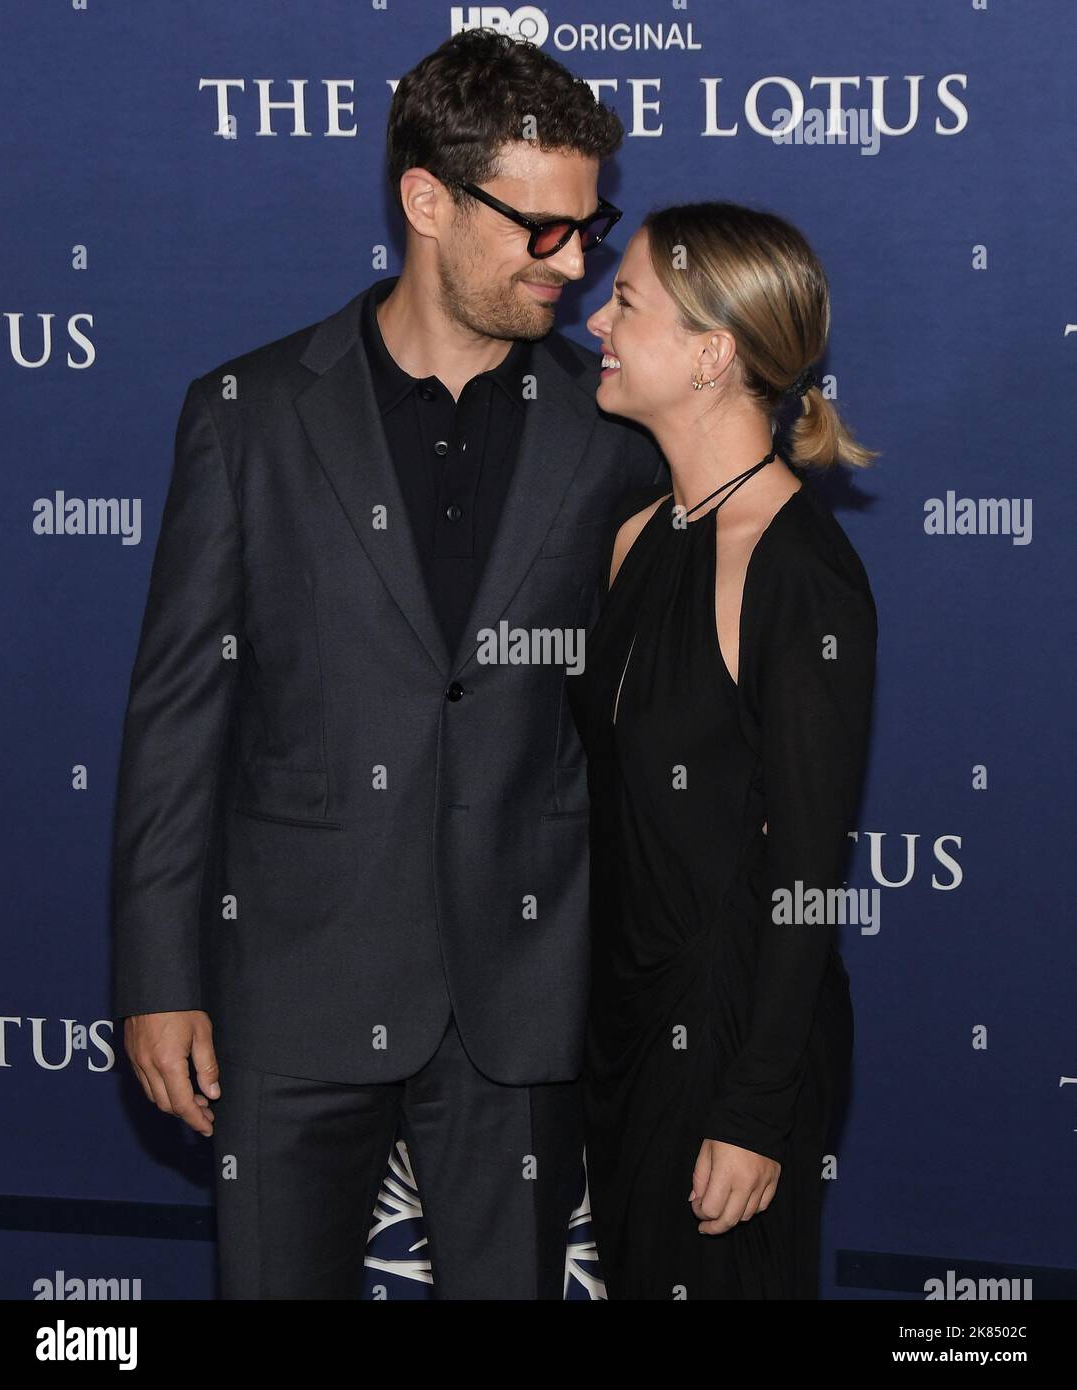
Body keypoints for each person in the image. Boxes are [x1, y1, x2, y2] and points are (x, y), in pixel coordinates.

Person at [110, 29, 668, 1300]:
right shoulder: (247, 414)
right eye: (540, 228)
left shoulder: (614, 429)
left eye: (590, 227)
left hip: (520, 997)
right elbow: (179, 717)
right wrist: (158, 978)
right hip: (295, 979)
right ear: (427, 200)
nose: (574, 262)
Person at [566, 202, 878, 1299]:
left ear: (708, 354)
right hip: (625, 1024)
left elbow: (802, 874)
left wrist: (752, 1110)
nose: (594, 317)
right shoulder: (636, 537)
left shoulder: (796, 573)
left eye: (627, 303)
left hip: (732, 1037)